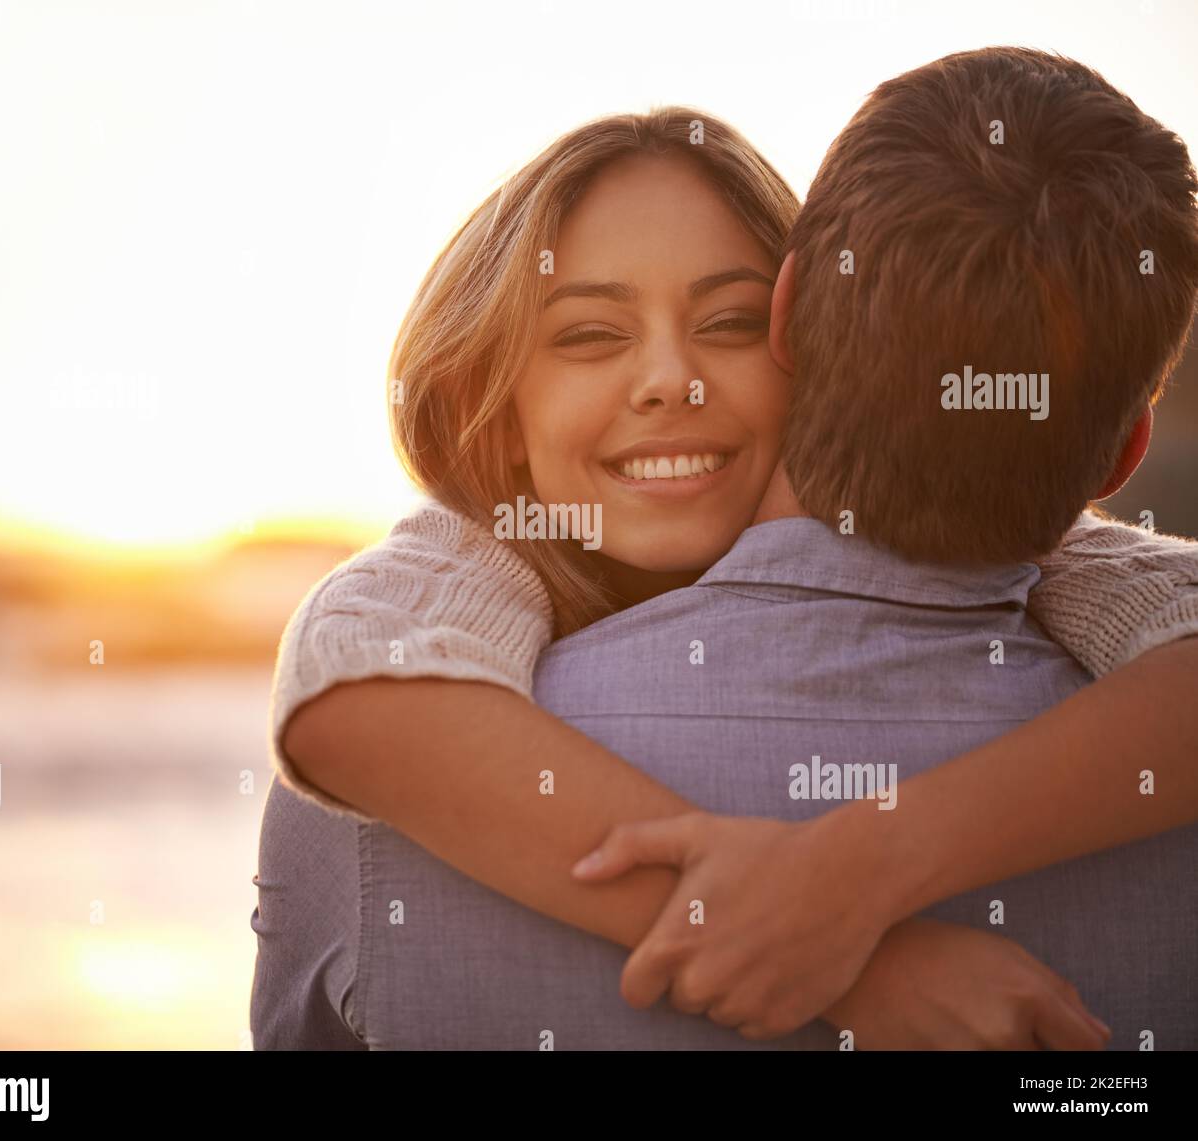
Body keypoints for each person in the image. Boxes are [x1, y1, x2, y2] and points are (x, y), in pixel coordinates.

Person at [253, 52, 1198, 1049]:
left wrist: (850, 875)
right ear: (489, 407)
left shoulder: (1077, 573)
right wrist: (858, 955)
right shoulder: (446, 592)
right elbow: (351, 682)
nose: (670, 379)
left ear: (805, 328)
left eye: (729, 320)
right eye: (587, 334)